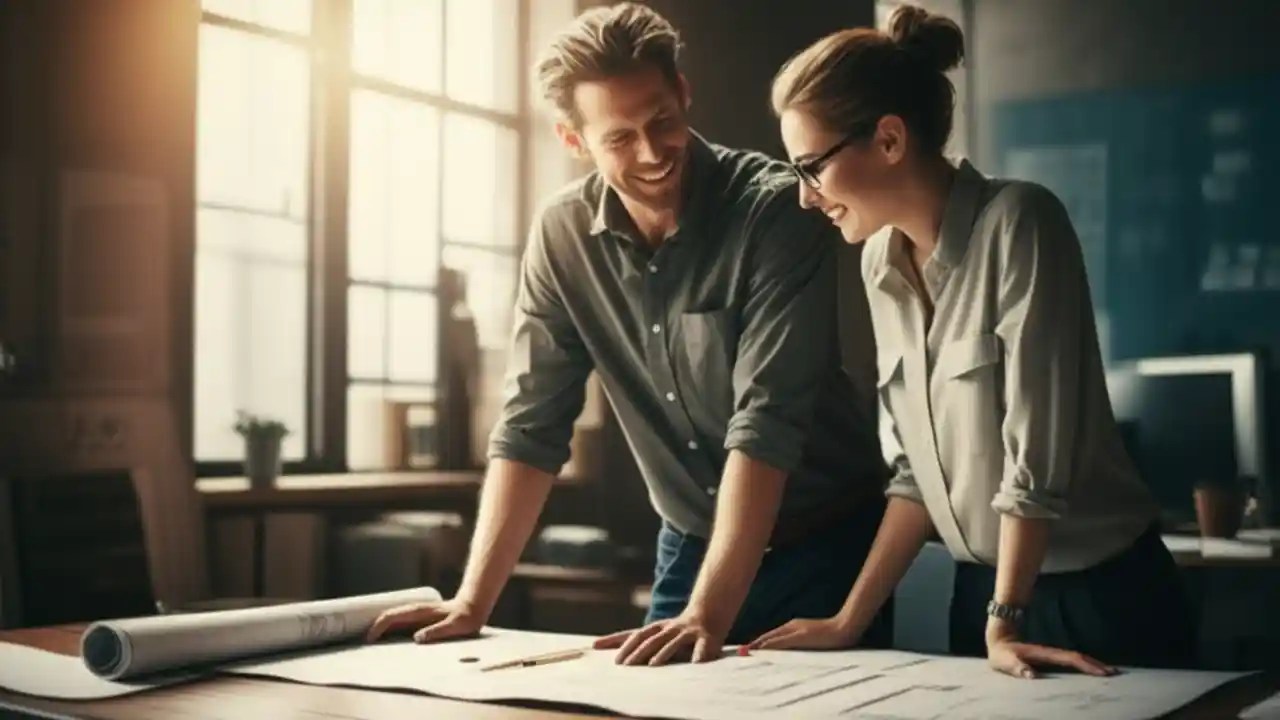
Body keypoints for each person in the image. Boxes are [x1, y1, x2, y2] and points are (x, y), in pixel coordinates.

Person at [365, 2, 892, 666]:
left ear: (683, 93)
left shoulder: (776, 211)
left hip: (827, 548)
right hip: (690, 545)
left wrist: (707, 614)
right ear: (573, 140)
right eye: (619, 138)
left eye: (662, 121)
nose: (652, 153)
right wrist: (472, 602)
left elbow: (767, 421)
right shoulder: (562, 236)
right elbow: (531, 425)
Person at [753, 5, 1197, 678]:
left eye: (810, 167)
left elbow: (1035, 464)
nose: (805, 197)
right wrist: (848, 621)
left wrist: (1006, 619)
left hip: (1094, 597)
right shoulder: (879, 262)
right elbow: (916, 475)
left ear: (890, 139)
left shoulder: (1020, 222)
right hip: (983, 602)